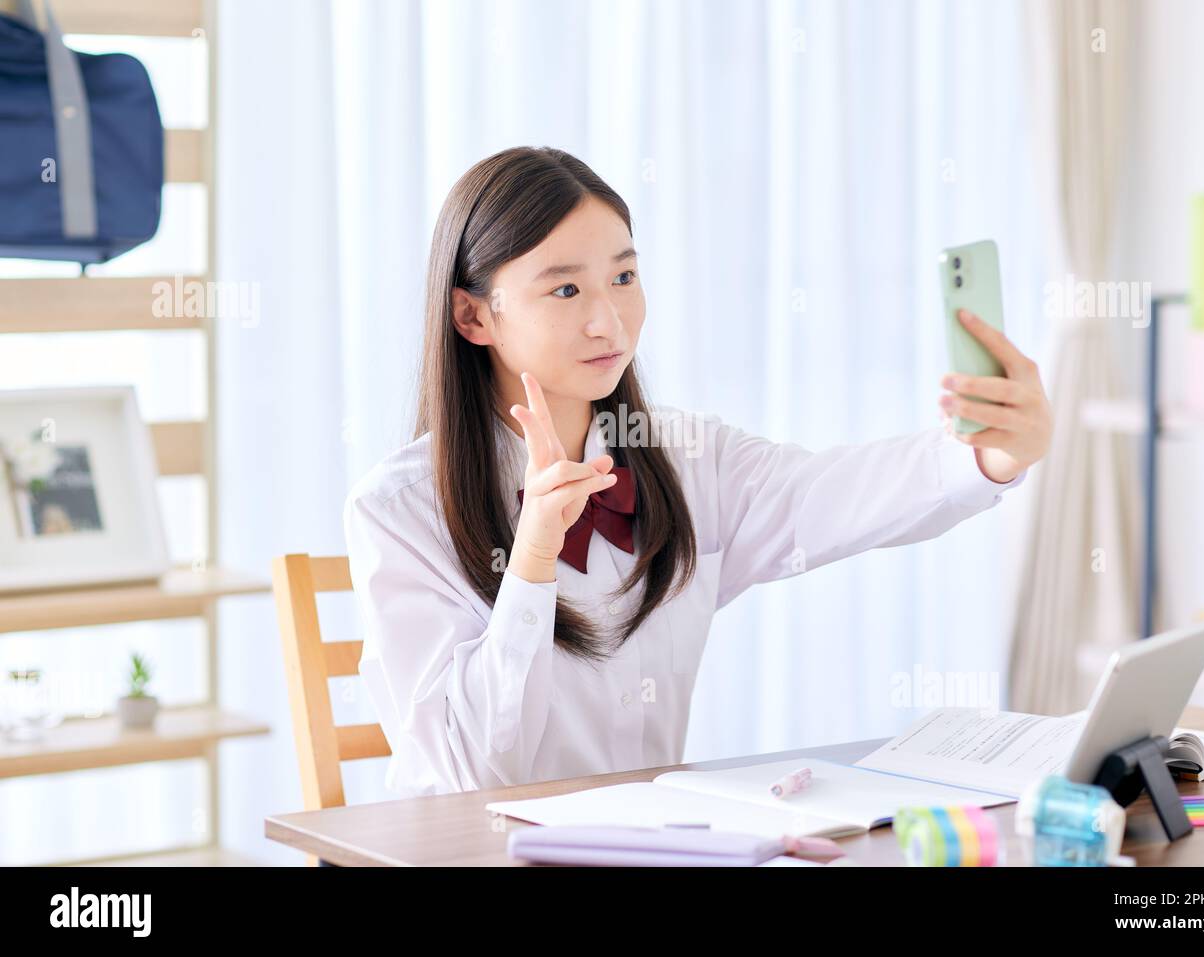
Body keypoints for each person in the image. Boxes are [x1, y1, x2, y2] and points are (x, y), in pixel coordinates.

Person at [343, 146, 1051, 796]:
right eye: (565, 291)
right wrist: (530, 561)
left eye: (623, 276)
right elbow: (469, 771)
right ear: (473, 316)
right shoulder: (399, 510)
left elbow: (827, 497)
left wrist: (988, 453)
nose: (610, 323)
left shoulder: (686, 459)